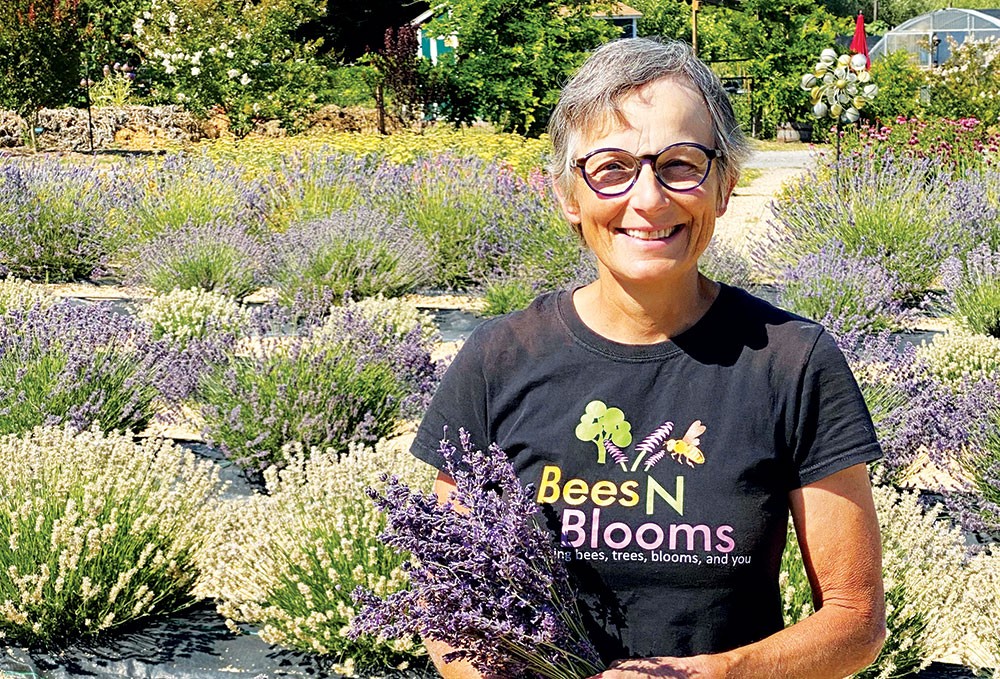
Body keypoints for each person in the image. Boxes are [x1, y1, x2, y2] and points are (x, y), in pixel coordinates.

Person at [410, 37, 886, 679]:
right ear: (567, 196)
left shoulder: (793, 362)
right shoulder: (499, 358)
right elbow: (449, 606)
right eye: (610, 167)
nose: (650, 199)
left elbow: (855, 620)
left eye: (682, 163)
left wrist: (712, 676)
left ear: (724, 186)